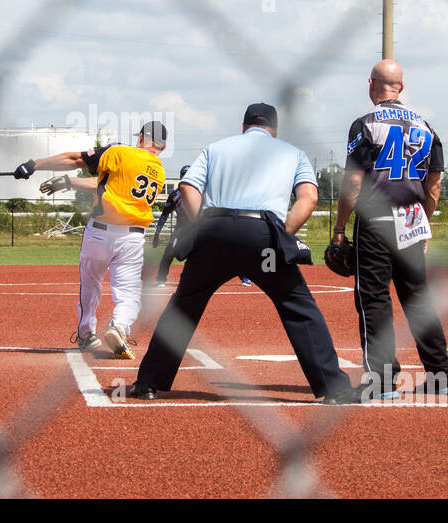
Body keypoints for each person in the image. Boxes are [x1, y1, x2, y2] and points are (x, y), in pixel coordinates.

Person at [129, 103, 360, 404]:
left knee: (183, 307)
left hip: (215, 231)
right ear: (274, 130)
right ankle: (334, 388)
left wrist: (202, 226)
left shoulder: (216, 148)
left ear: (244, 126)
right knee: (298, 306)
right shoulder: (292, 152)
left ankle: (148, 383)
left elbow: (187, 187)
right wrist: (283, 235)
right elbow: (309, 197)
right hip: (263, 234)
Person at [334, 59, 448, 399]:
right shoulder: (426, 127)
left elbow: (353, 185)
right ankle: (441, 374)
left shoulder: (365, 124)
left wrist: (340, 228)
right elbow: (433, 187)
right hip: (412, 217)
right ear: (401, 87)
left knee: (374, 299)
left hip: (377, 220)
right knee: (418, 299)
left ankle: (384, 381)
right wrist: (423, 224)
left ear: (371, 84)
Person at [15, 120, 168, 358]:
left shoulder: (119, 152)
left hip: (99, 232)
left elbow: (75, 159)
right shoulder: (158, 171)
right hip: (132, 237)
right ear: (163, 148)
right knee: (129, 294)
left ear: (140, 137)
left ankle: (86, 334)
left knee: (90, 286)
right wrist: (69, 182)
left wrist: (35, 164)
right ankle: (119, 327)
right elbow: (104, 186)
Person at [153, 166, 250, 287]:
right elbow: (164, 215)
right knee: (169, 252)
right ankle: (161, 279)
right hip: (181, 230)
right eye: (183, 175)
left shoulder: (202, 193)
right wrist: (157, 234)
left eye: (188, 175)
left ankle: (245, 277)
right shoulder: (175, 195)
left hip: (200, 228)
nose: (186, 177)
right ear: (180, 177)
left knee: (225, 250)